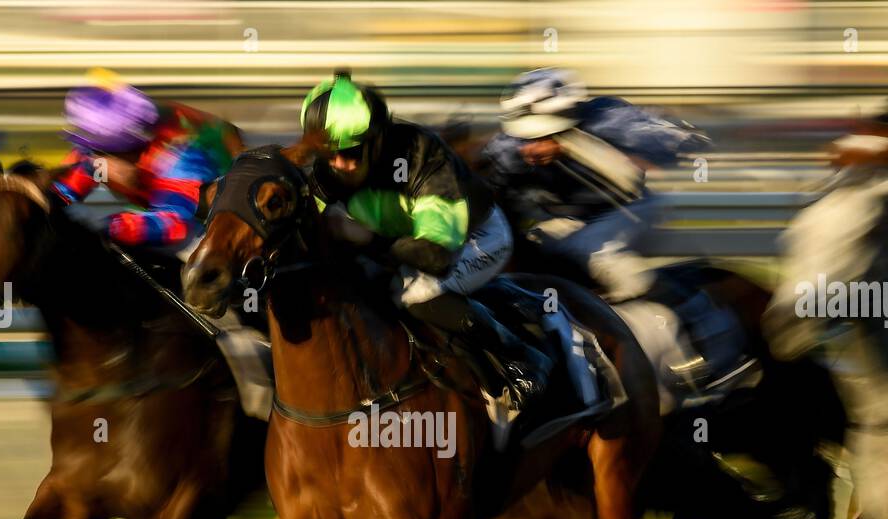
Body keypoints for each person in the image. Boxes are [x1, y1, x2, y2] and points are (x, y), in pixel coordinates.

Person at [299, 70, 555, 425]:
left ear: (376, 138)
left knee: (415, 295)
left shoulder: (422, 156)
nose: (339, 165)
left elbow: (436, 256)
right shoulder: (331, 169)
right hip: (397, 245)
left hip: (473, 240)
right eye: (329, 155)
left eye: (351, 152)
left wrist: (367, 239)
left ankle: (520, 359)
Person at [484, 68, 749, 398]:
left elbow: (685, 138)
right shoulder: (505, 150)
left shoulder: (609, 121)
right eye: (525, 138)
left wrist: (675, 143)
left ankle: (718, 344)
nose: (532, 150)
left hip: (633, 209)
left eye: (544, 135)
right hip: (568, 221)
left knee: (592, 252)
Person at [52, 69, 241, 258]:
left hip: (198, 221)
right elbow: (56, 195)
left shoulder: (179, 157)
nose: (96, 162)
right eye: (92, 153)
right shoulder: (94, 154)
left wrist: (106, 225)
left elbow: (175, 224)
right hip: (147, 203)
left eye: (101, 154)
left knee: (192, 247)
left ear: (131, 149)